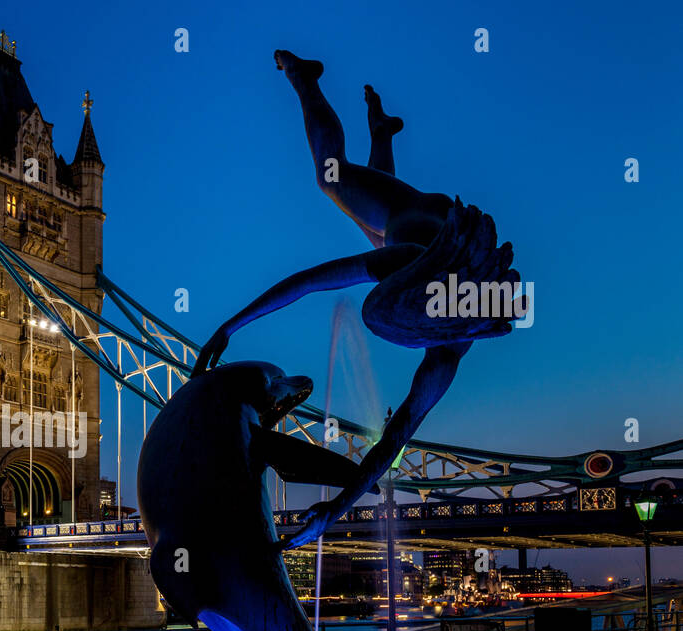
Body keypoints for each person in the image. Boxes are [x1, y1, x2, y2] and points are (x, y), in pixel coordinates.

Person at [195, 51, 525, 549]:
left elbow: (395, 440)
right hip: (410, 214)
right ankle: (306, 79)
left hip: (413, 237)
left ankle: (382, 134)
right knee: (331, 177)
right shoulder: (408, 265)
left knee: (369, 230)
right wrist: (232, 325)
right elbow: (309, 280)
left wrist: (336, 508)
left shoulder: (449, 348)